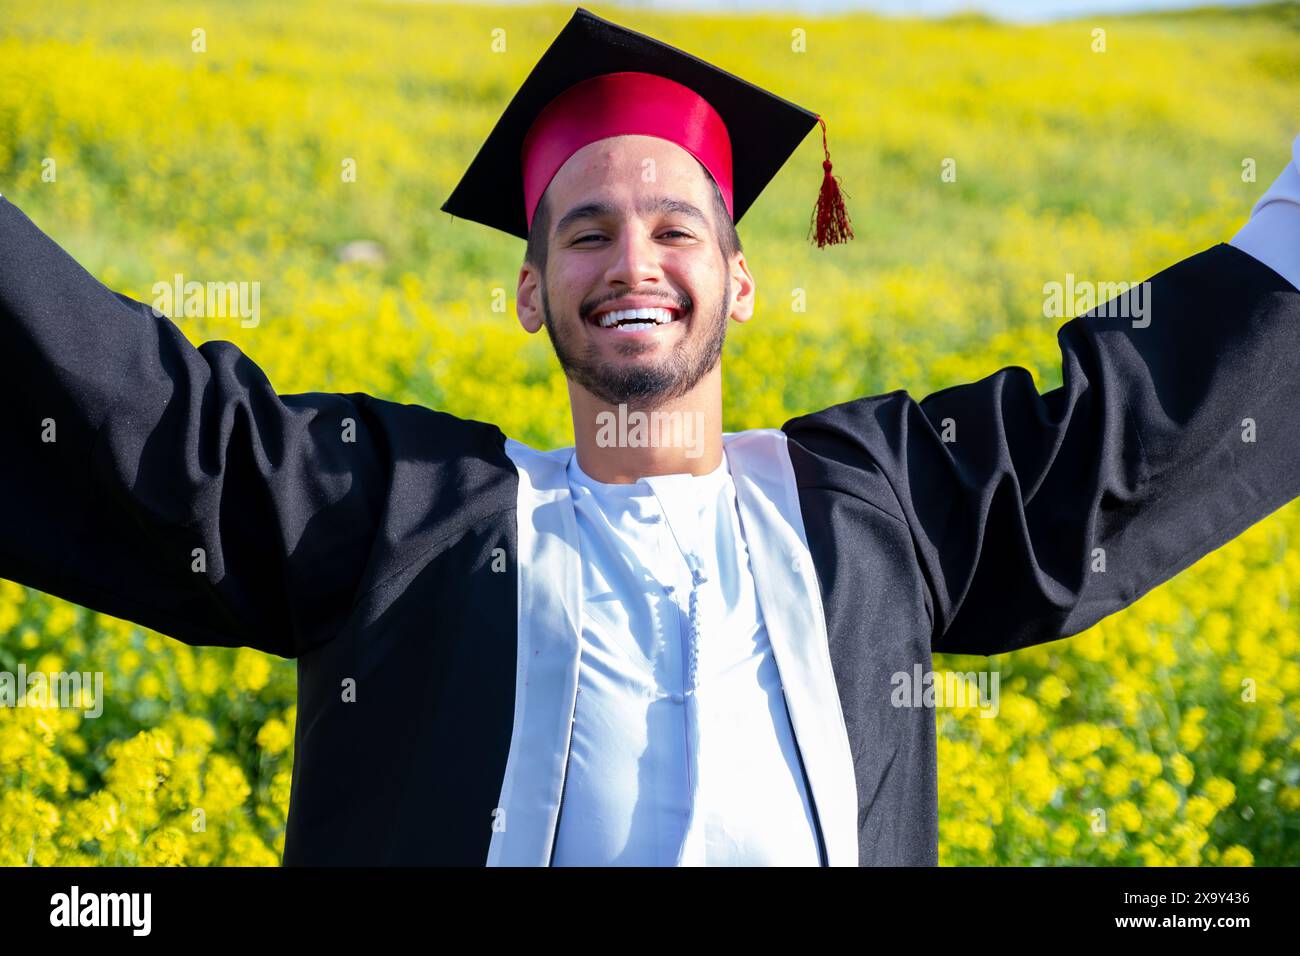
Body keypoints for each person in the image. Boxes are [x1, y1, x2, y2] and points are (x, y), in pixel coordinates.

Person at [1, 6, 1297, 866]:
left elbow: (1137, 421)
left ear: (737, 281)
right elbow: (149, 420)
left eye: (678, 228)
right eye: (585, 231)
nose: (636, 259)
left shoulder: (873, 508)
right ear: (528, 292)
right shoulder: (409, 519)